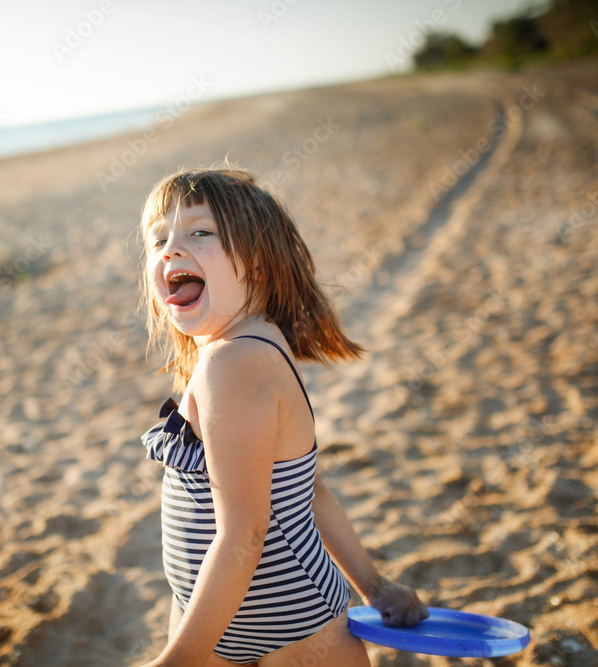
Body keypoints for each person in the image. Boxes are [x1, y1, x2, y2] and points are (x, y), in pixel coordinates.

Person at [138, 167, 427, 667]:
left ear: (260, 265)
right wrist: (375, 587)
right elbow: (310, 491)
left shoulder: (235, 364)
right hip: (213, 612)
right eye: (158, 238)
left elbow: (246, 533)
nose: (170, 249)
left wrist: (177, 660)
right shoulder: (244, 347)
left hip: (287, 620)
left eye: (200, 232)